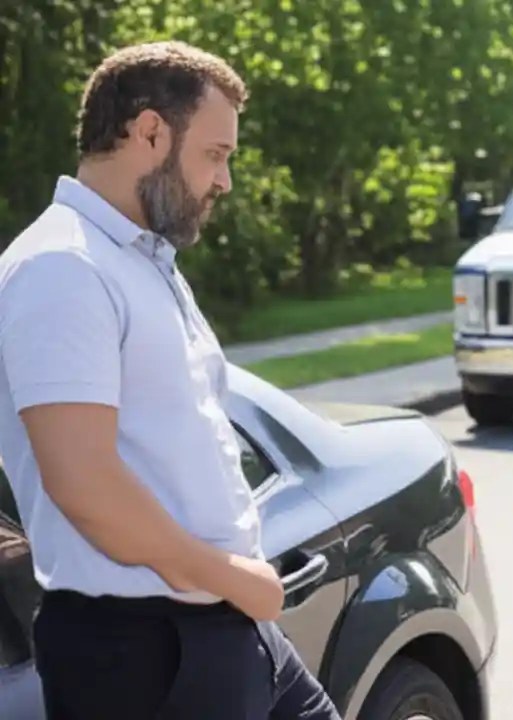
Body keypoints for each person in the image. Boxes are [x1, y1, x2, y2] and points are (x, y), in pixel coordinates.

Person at [0, 41, 340, 718]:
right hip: (142, 657)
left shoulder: (140, 259)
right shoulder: (61, 268)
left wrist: (241, 596)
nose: (225, 182)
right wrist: (238, 579)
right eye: (216, 155)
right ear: (150, 131)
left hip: (227, 633)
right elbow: (84, 483)